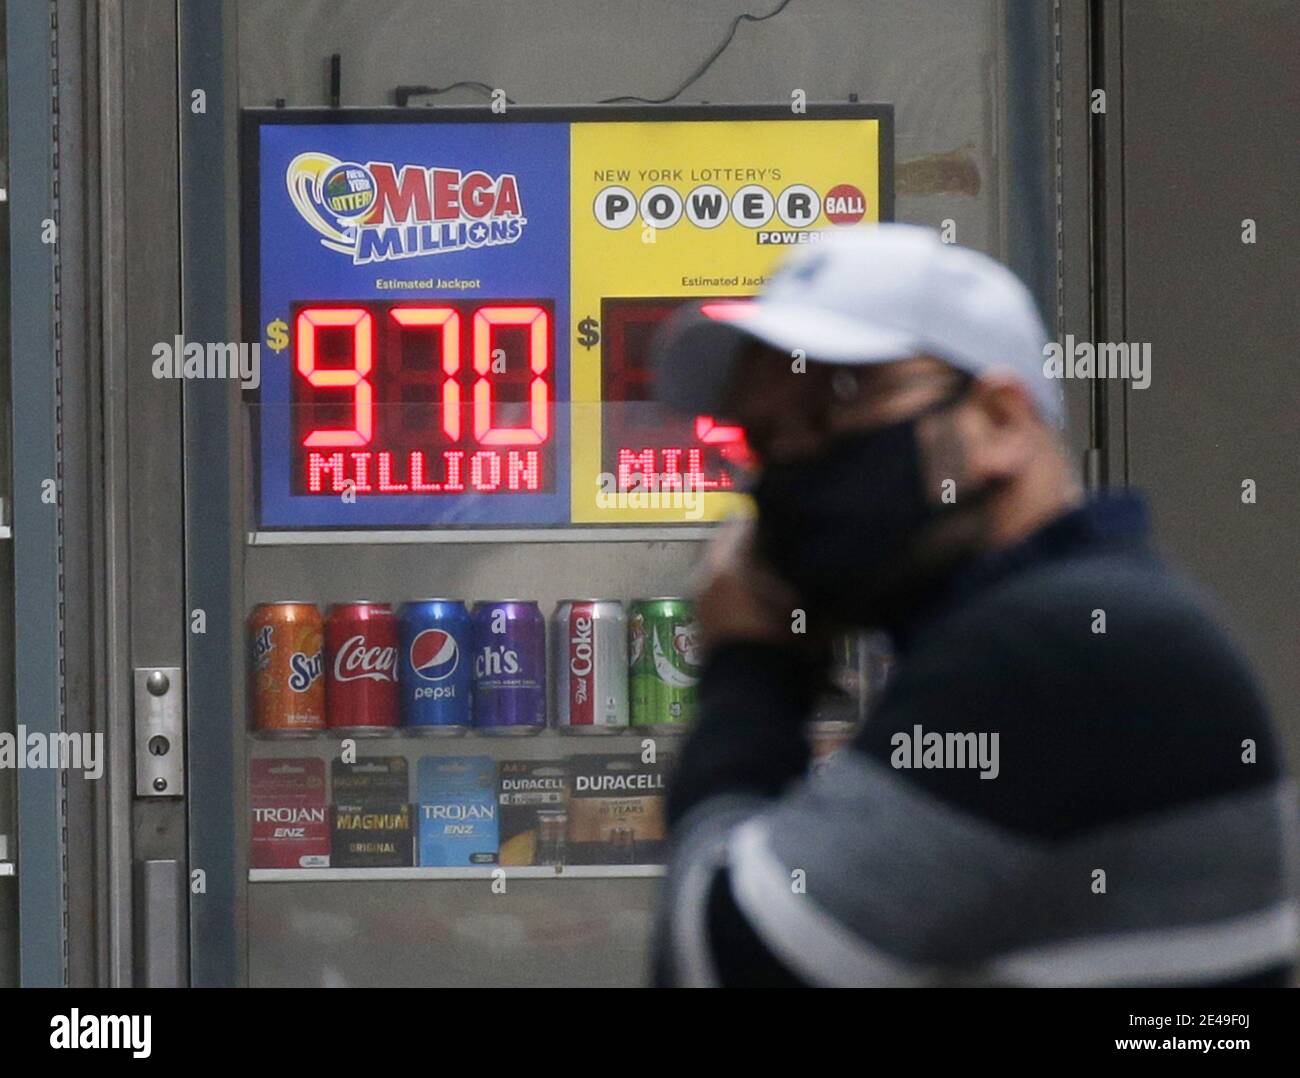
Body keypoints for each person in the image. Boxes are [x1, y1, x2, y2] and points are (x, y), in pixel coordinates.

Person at [649, 224, 1296, 987]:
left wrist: (750, 659)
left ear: (998, 421)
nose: (791, 469)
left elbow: (716, 961)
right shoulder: (1078, 615)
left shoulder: (1053, 646)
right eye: (766, 438)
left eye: (835, 406)